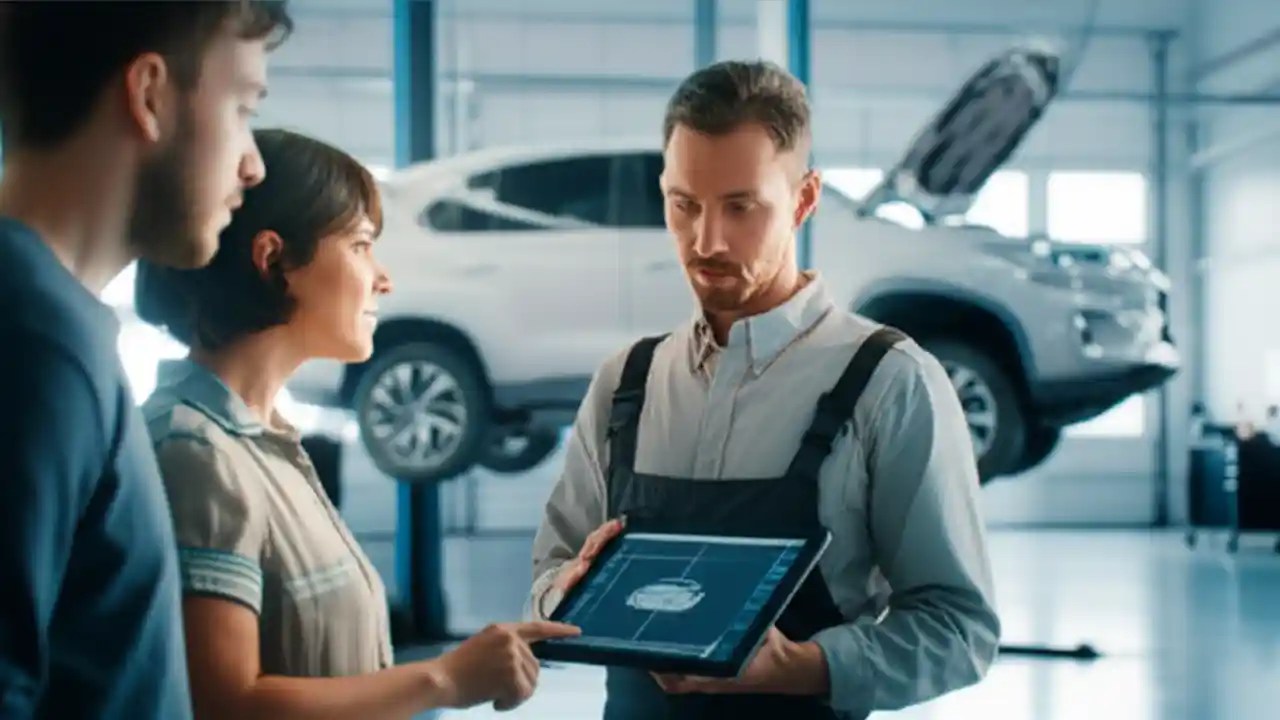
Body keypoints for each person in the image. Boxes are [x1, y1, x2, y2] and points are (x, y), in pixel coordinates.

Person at [529, 60, 1001, 719]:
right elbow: (548, 585)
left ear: (804, 200)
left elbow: (959, 629)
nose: (706, 240)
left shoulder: (887, 383)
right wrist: (567, 596)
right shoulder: (623, 385)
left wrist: (804, 668)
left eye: (740, 207)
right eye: (683, 205)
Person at [134, 128, 579, 719]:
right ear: (274, 261)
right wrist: (444, 679)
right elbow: (225, 704)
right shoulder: (196, 451)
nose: (383, 279)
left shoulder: (263, 444)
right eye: (361, 245)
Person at [0, 3, 292, 718]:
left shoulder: (51, 329)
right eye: (243, 106)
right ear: (150, 94)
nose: (252, 164)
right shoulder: (36, 346)